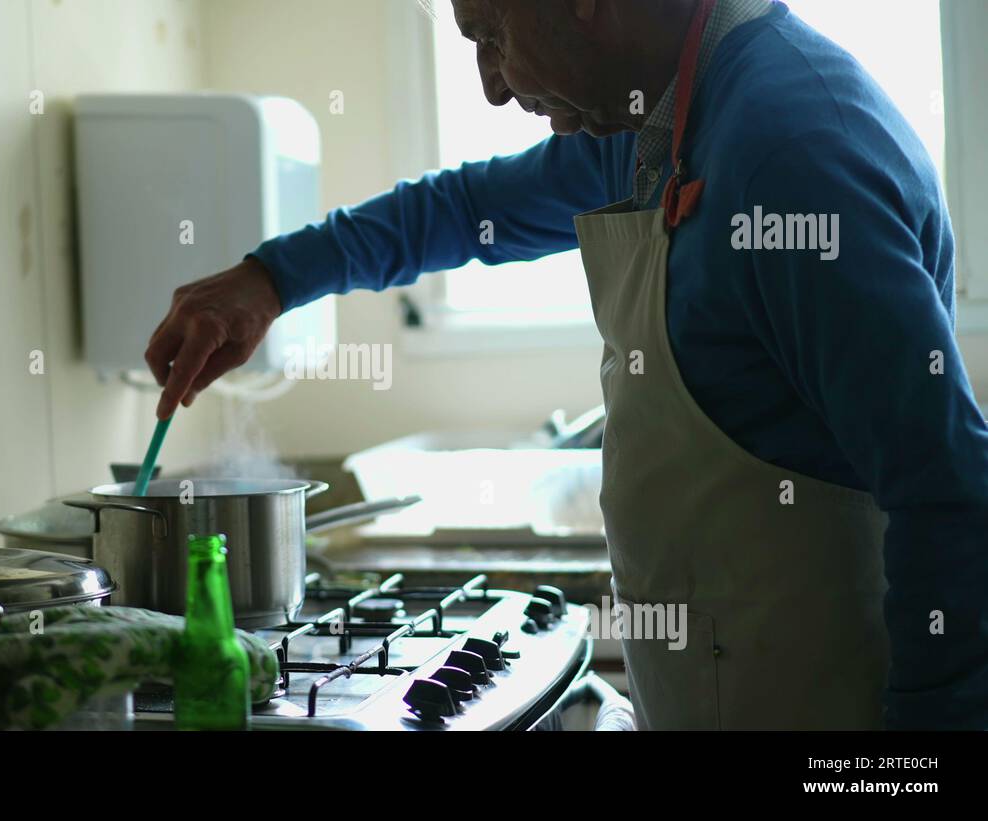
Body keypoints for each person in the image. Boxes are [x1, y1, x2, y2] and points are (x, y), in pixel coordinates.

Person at [144, 0, 988, 729]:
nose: (493, 86)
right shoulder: (665, 121)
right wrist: (271, 279)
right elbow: (469, 208)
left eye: (492, 36)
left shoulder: (793, 154)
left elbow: (949, 490)